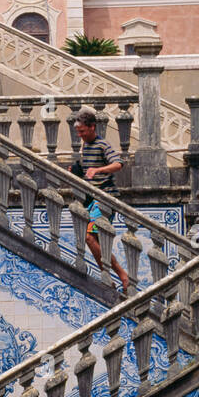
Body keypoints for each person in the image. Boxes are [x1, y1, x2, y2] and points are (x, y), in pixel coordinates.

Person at [72, 110, 131, 296]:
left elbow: (119, 164)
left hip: (105, 198)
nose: (80, 135)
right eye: (78, 132)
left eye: (82, 131)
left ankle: (119, 274)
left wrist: (98, 170)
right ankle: (113, 276)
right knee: (92, 240)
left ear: (92, 127)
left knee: (89, 237)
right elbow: (86, 169)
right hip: (93, 199)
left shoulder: (102, 144)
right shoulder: (86, 146)